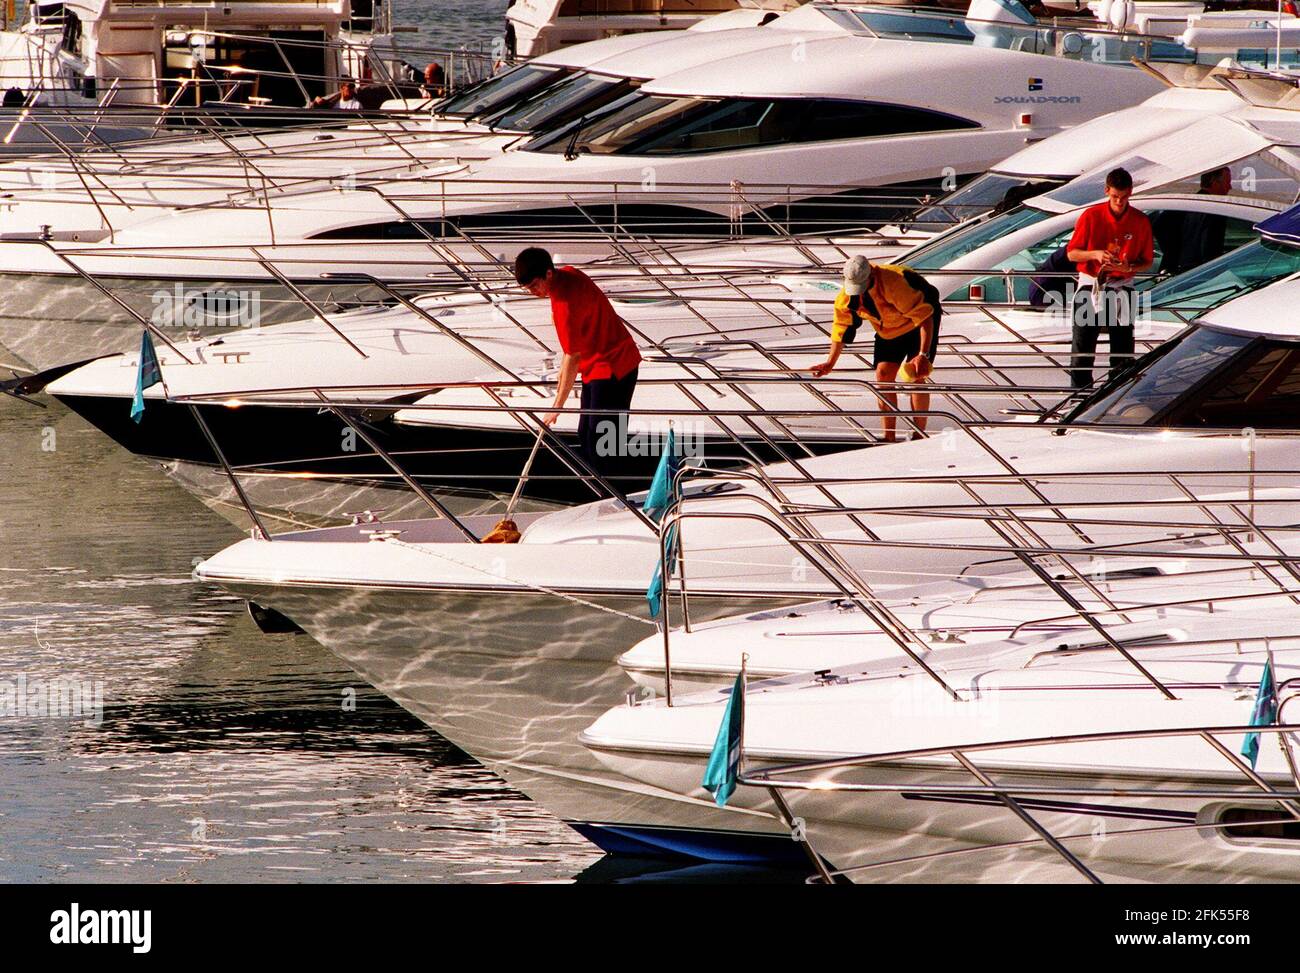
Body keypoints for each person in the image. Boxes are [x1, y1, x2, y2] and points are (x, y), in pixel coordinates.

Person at [514, 247, 641, 475]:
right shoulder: (570, 274)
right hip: (599, 368)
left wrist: (556, 406)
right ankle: (606, 491)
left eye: (534, 285)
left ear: (548, 274)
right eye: (528, 288)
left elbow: (573, 356)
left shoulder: (565, 305)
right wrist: (563, 375)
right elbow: (571, 351)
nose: (533, 292)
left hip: (613, 368)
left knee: (602, 443)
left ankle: (617, 495)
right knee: (587, 435)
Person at [811, 256, 941, 442]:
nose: (859, 292)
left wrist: (923, 354)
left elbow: (925, 318)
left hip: (919, 324)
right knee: (883, 375)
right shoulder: (847, 297)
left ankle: (919, 434)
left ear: (872, 274)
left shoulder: (895, 281)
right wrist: (830, 362)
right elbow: (841, 327)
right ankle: (889, 436)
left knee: (916, 375)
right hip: (888, 329)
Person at [1065, 166, 1154, 389]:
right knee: (1082, 352)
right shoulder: (1091, 216)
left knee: (1122, 353)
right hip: (1091, 285)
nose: (1119, 202)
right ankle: (1079, 398)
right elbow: (1072, 253)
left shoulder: (1140, 221)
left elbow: (1147, 261)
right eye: (1115, 197)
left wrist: (1128, 267)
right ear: (1106, 191)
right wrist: (1095, 254)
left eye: (1124, 197)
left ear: (1131, 193)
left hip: (1122, 285)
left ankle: (1116, 398)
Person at [1152, 166, 1232, 277]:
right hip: (1198, 274)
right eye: (1227, 182)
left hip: (1174, 270)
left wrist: (1173, 252)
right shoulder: (1215, 210)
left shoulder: (1186, 203)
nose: (1230, 187)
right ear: (1215, 183)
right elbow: (1211, 250)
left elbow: (1159, 225)